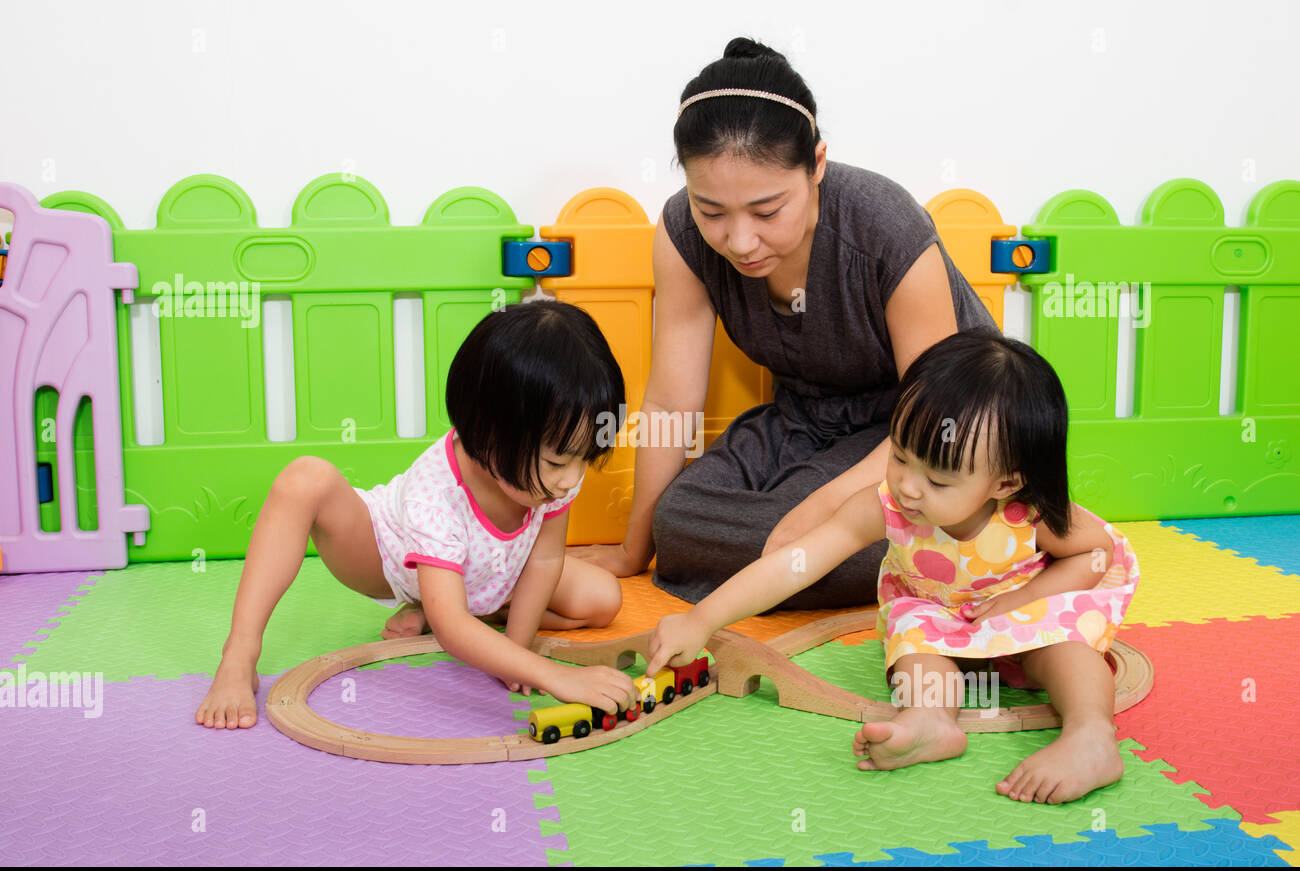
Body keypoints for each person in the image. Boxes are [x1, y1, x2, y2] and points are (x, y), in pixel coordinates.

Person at [570, 37, 999, 609]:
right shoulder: (680, 232)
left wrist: (819, 516)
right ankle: (883, 557)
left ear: (816, 164)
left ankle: (919, 543)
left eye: (768, 211)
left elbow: (935, 416)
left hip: (924, 438)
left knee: (821, 526)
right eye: (711, 211)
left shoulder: (884, 224)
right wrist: (633, 550)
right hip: (805, 420)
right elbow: (671, 402)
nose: (739, 242)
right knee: (677, 520)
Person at [645, 329, 1141, 804]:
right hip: (940, 614)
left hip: (1026, 607)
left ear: (1005, 484)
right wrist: (701, 618)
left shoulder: (1029, 513)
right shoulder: (883, 507)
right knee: (913, 636)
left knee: (1066, 643)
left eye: (938, 482)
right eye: (900, 457)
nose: (908, 487)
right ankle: (930, 719)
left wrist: (1022, 599)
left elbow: (1093, 555)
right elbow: (796, 565)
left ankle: (1091, 737)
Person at [196, 301, 638, 730]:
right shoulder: (439, 493)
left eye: (585, 456)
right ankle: (238, 654)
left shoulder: (555, 471)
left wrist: (517, 653)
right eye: (559, 462)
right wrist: (551, 673)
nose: (572, 478)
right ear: (489, 436)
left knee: (603, 599)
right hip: (389, 556)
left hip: (489, 572)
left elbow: (542, 560)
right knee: (304, 479)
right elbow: (450, 632)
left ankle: (478, 615)